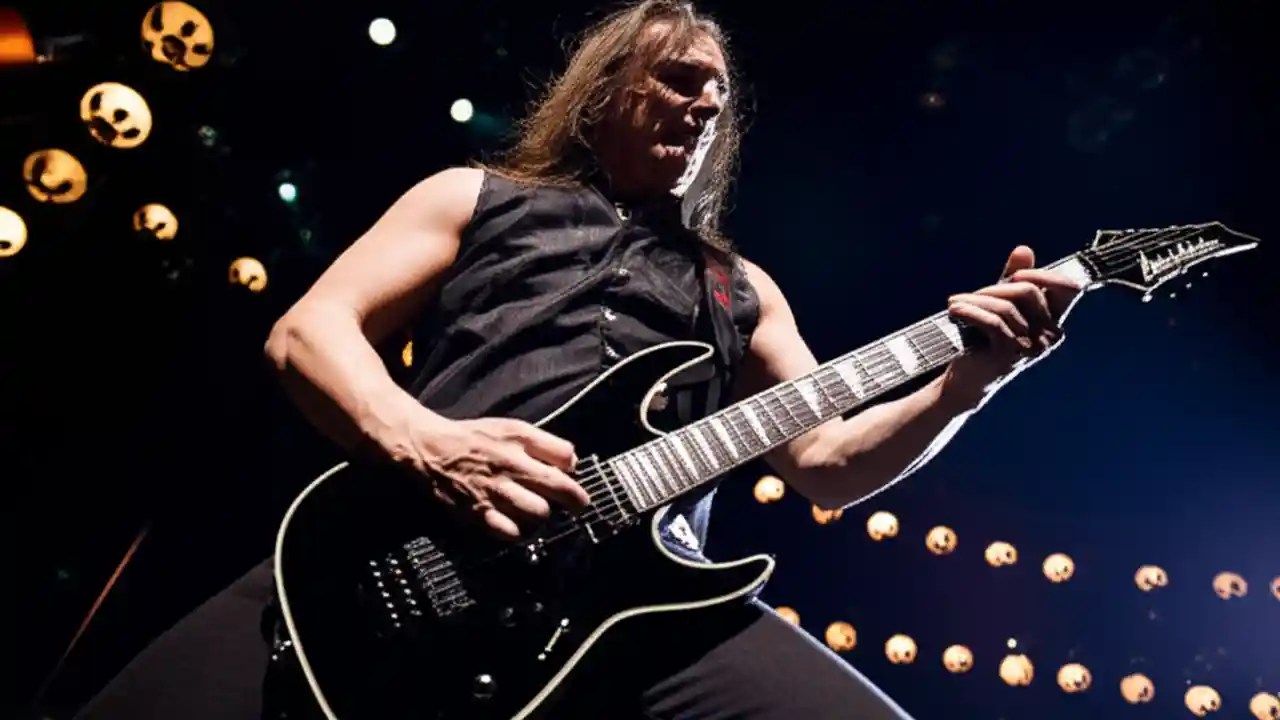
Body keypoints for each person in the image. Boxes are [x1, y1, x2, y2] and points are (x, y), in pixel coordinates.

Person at [75, 1, 1082, 718]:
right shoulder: (472, 198)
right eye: (678, 79)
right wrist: (427, 443)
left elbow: (827, 462)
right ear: (602, 91)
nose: (704, 107)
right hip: (397, 552)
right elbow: (309, 332)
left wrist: (967, 382)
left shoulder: (742, 289)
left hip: (634, 608)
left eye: (718, 96)